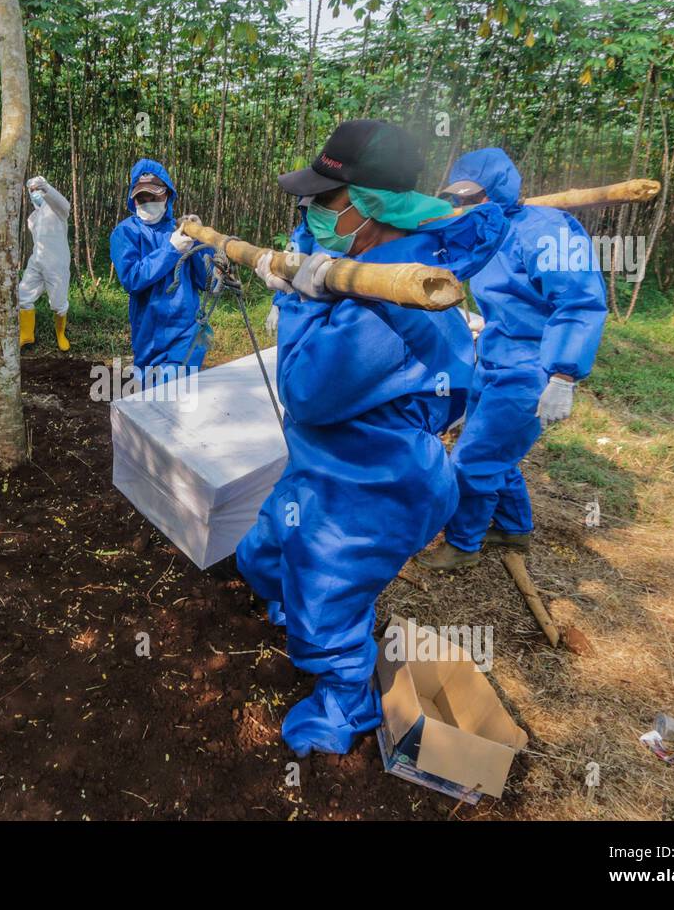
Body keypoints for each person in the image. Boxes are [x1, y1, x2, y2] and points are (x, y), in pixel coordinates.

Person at [236, 119, 510, 757]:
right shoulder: (374, 266)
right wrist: (310, 267)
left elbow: (305, 388)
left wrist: (301, 300)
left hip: (369, 489)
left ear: (370, 208)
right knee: (262, 553)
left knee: (325, 602)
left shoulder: (392, 301)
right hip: (329, 470)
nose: (311, 212)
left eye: (324, 203)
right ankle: (296, 597)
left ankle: (345, 699)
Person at [416, 148, 607, 570]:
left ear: (499, 190)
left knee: (471, 460)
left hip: (533, 367)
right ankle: (513, 527)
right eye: (459, 198)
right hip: (494, 354)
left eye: (475, 197)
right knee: (493, 448)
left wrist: (563, 375)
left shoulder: (548, 231)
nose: (466, 206)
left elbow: (578, 303)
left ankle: (463, 547)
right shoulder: (483, 231)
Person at [109, 159, 213, 386]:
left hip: (186, 331)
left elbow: (207, 280)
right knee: (152, 396)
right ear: (133, 198)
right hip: (149, 335)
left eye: (153, 197)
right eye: (141, 198)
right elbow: (132, 279)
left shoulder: (178, 229)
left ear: (167, 195)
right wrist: (171, 249)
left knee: (177, 394)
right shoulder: (125, 232)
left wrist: (199, 240)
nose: (147, 203)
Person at [18, 176, 72, 351]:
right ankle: (26, 335)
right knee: (22, 295)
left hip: (57, 263)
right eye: (32, 191)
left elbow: (65, 206)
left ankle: (60, 335)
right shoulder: (32, 217)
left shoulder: (56, 209)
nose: (35, 193)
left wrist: (46, 188)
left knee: (58, 303)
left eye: (37, 189)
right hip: (37, 261)